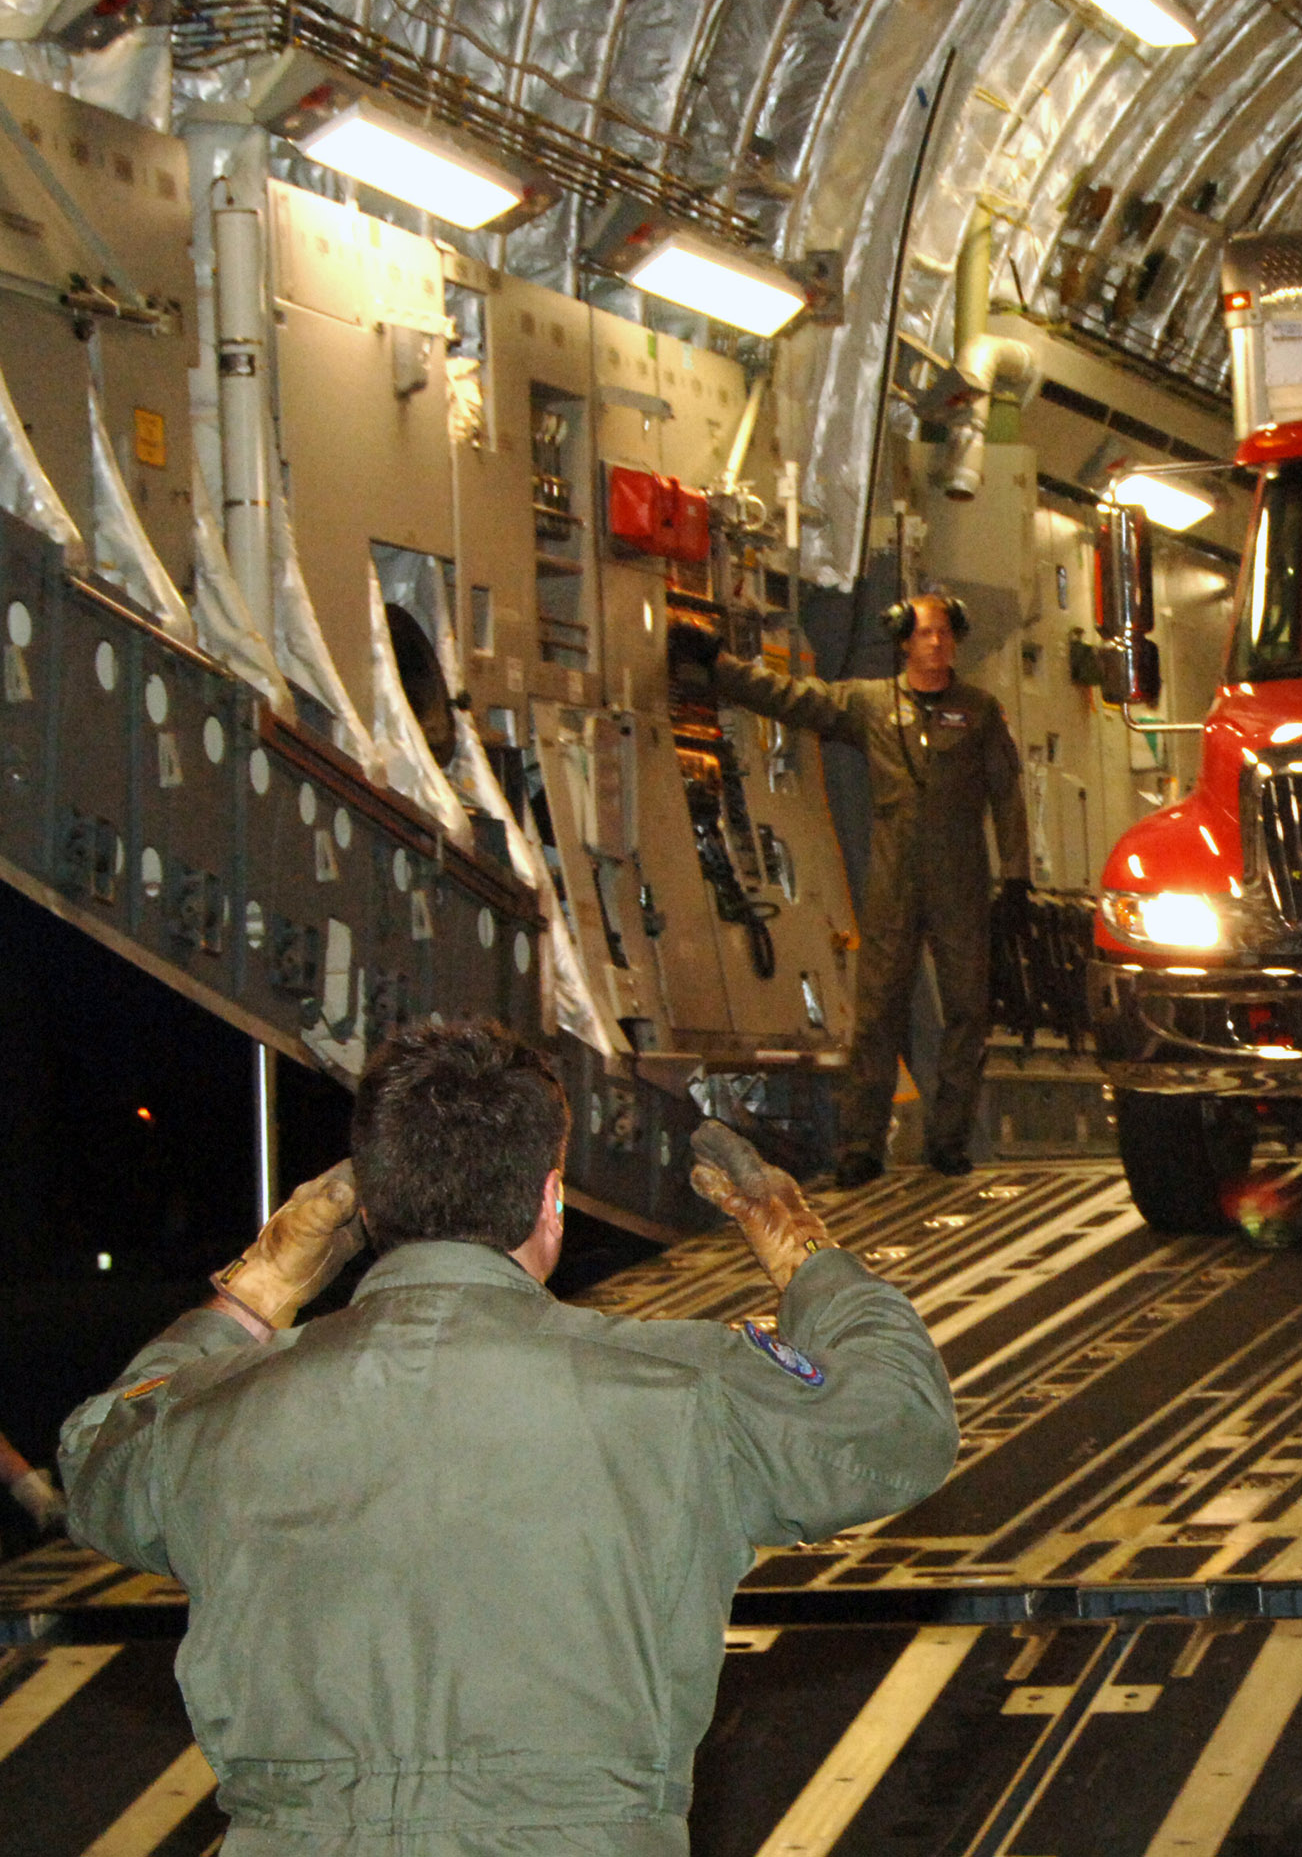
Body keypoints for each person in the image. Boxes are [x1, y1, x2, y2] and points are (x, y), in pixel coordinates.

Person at [57, 1018, 957, 1857]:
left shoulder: (221, 1414)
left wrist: (256, 1286)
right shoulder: (679, 1390)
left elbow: (96, 1454)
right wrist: (797, 1245)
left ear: (365, 1207)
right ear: (550, 1199)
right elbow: (898, 1423)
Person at [672, 592, 1030, 1185]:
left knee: (967, 1008)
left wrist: (1016, 878)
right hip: (894, 877)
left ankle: (950, 1139)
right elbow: (795, 700)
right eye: (924, 634)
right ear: (904, 642)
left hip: (961, 878)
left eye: (944, 633)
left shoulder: (980, 712)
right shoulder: (871, 703)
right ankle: (861, 1145)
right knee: (878, 1010)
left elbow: (1007, 796)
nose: (936, 644)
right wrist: (719, 667)